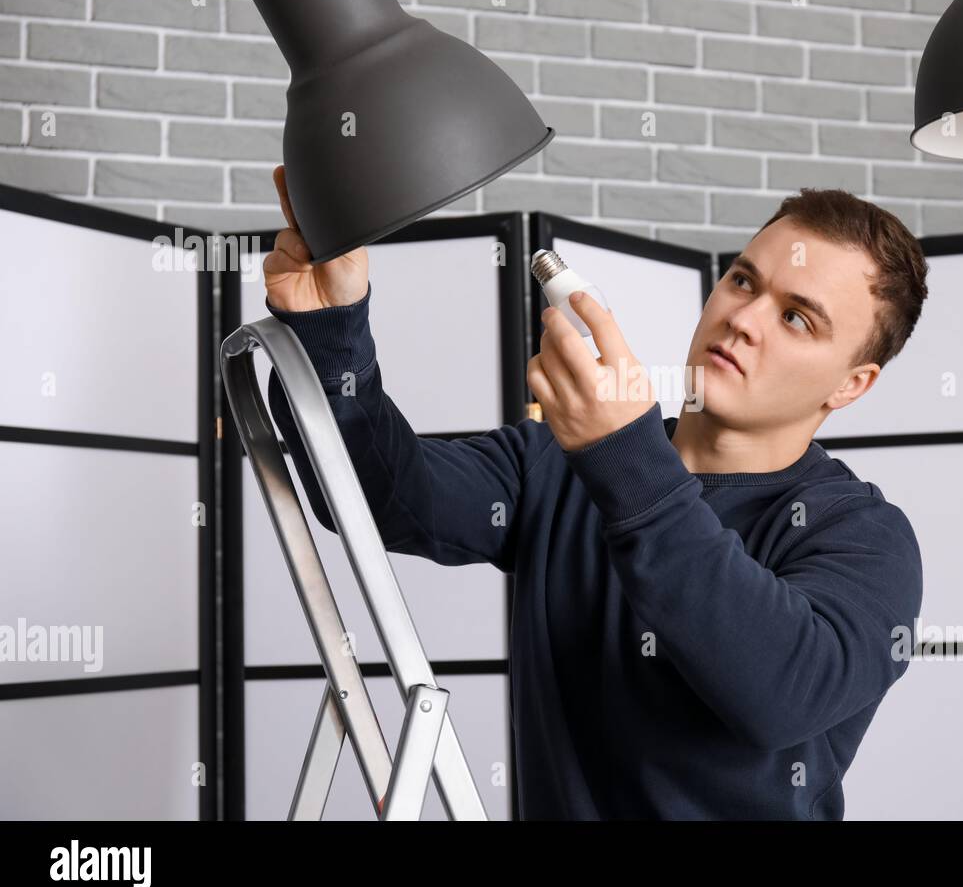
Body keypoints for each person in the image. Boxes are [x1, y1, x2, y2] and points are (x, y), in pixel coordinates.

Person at [261, 164, 928, 819]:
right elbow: (379, 496)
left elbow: (780, 691)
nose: (745, 319)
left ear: (851, 385)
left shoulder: (867, 539)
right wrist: (330, 332)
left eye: (798, 319)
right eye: (743, 280)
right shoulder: (556, 462)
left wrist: (624, 458)